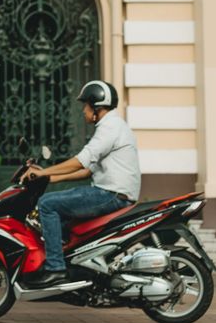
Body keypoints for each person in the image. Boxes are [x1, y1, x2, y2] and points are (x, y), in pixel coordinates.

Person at [25, 79, 142, 288]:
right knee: (62, 222)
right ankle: (75, 267)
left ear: (96, 107)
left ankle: (55, 269)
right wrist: (49, 177)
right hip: (113, 193)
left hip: (110, 195)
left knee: (47, 204)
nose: (83, 111)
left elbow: (80, 161)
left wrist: (43, 173)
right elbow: (87, 170)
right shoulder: (113, 125)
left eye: (85, 106)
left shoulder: (110, 127)